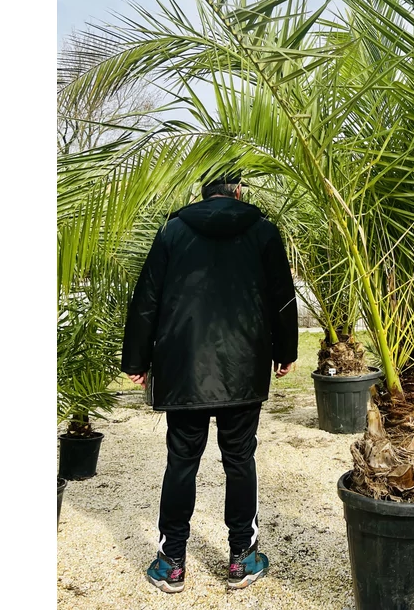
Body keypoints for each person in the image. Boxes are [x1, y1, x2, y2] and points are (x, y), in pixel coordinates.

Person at [122, 172, 299, 593]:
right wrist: (286, 351)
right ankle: (242, 558)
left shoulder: (173, 230)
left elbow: (146, 297)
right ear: (238, 192)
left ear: (202, 195)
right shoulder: (262, 231)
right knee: (239, 459)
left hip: (184, 368)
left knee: (182, 461)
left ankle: (172, 563)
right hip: (242, 366)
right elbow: (282, 294)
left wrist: (137, 359)